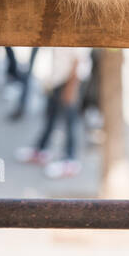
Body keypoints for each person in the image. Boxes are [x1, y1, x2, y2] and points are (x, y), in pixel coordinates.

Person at [16, 47, 91, 179]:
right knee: (51, 116)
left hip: (70, 80)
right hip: (58, 78)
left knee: (70, 121)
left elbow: (79, 59)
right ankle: (41, 150)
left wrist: (72, 87)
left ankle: (70, 160)